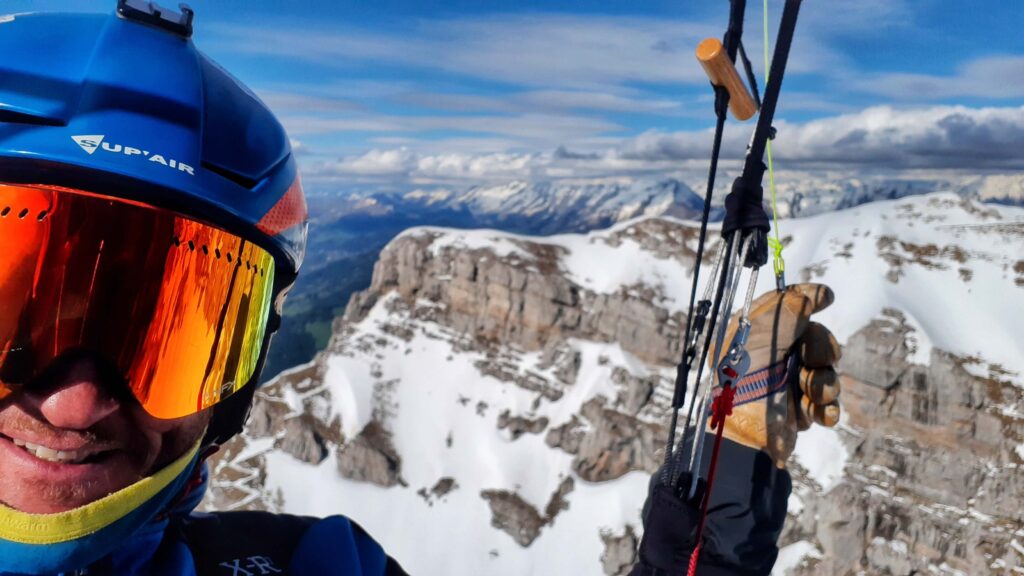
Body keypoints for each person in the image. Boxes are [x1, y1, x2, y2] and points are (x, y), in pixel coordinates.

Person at [0, 3, 841, 575]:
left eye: (171, 342)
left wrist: (721, 488)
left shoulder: (318, 568)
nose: (76, 403)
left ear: (235, 389)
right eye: (16, 318)